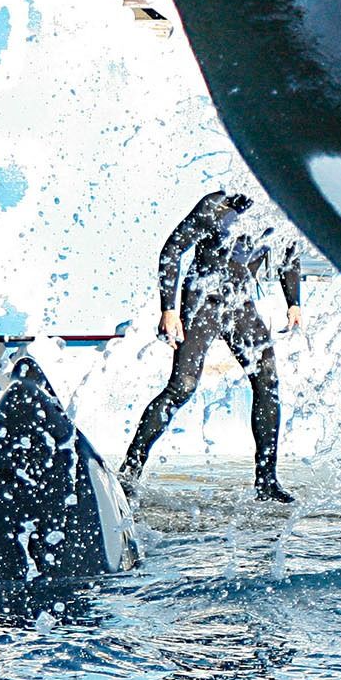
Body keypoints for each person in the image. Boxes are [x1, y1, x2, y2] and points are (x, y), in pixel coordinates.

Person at [117, 190, 303, 503]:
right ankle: (129, 471)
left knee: (268, 382)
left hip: (240, 303)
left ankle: (266, 482)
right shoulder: (217, 205)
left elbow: (289, 254)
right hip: (202, 300)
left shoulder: (277, 209)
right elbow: (173, 250)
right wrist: (169, 309)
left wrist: (294, 303)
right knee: (183, 386)